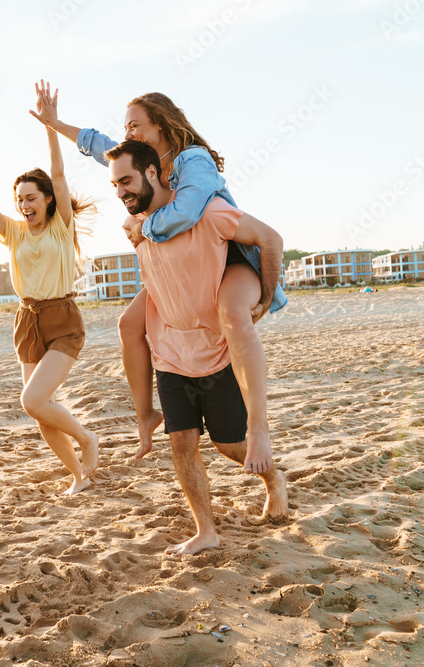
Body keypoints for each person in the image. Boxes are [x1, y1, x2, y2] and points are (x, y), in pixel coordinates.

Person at [30, 84, 286, 473]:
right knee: (129, 324)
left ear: (161, 124)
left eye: (135, 125)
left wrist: (142, 227)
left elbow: (185, 212)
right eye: (126, 127)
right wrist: (54, 123)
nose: (127, 133)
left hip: (230, 255)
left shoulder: (193, 160)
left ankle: (259, 427)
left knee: (233, 313)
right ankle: (146, 414)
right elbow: (101, 147)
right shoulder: (144, 162)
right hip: (184, 265)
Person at [108, 140, 288, 554]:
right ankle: (206, 531)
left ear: (152, 172)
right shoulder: (138, 225)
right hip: (170, 353)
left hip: (217, 352)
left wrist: (264, 298)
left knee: (229, 446)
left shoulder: (208, 212)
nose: (120, 192)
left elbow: (270, 238)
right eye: (115, 184)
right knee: (182, 444)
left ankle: (273, 478)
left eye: (126, 181)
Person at [0, 85, 99, 495]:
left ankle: (87, 438)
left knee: (32, 400)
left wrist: (50, 126)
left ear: (47, 200)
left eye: (31, 198)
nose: (25, 205)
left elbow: (58, 175)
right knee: (41, 410)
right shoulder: (13, 232)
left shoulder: (61, 226)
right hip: (27, 320)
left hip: (62, 319)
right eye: (20, 199)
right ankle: (78, 476)